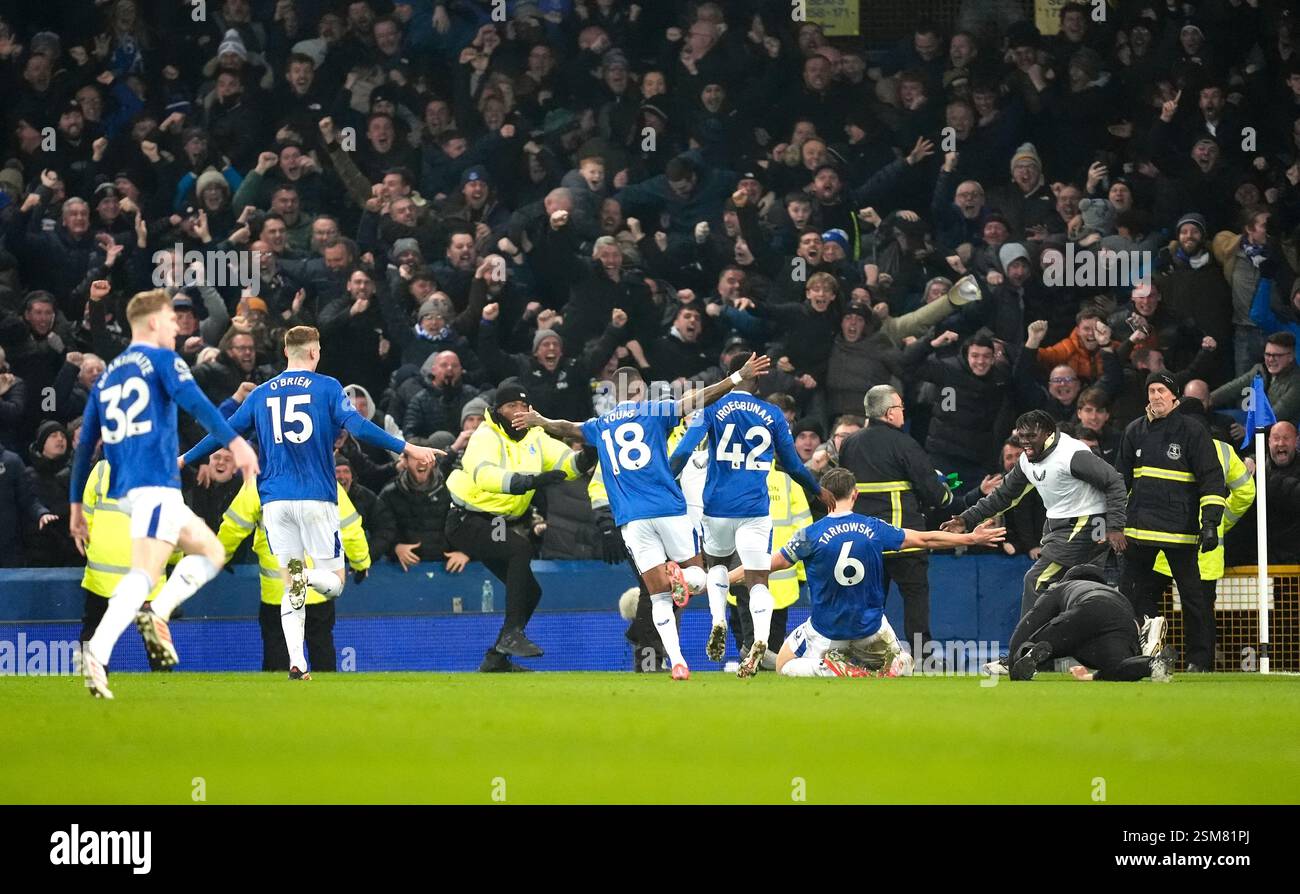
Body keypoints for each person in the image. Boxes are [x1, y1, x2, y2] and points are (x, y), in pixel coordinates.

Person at [182, 326, 438, 679]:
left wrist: (184, 459)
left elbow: (224, 433)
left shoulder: (260, 394)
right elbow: (360, 428)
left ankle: (296, 662)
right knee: (333, 583)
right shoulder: (328, 387)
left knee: (292, 584)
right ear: (315, 354)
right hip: (316, 498)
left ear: (286, 353)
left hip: (274, 502)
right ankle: (307, 588)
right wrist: (407, 447)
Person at [518, 353, 771, 680]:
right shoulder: (655, 411)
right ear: (642, 389)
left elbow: (569, 428)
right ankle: (679, 576)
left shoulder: (602, 425)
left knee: (658, 596)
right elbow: (698, 399)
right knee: (697, 579)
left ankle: (678, 662)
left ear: (614, 394)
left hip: (631, 521)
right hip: (669, 510)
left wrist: (542, 421)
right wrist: (738, 378)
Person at [68, 289, 261, 699]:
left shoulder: (107, 375)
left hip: (131, 488)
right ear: (153, 322)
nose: (176, 326)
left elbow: (85, 445)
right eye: (171, 319)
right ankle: (101, 649)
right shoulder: (161, 359)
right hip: (154, 484)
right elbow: (198, 405)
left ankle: (149, 616)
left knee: (209, 551)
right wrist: (238, 443)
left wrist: (73, 507)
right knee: (144, 576)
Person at [732, 467, 1005, 677]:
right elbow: (925, 539)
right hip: (871, 627)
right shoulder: (874, 528)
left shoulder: (809, 535)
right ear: (855, 495)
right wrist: (970, 538)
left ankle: (828, 668)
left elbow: (764, 566)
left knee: (784, 663)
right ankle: (887, 662)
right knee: (903, 663)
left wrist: (720, 581)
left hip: (827, 629)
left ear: (823, 496)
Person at [668, 354, 833, 677]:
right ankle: (759, 639)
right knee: (757, 579)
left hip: (717, 506)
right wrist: (817, 490)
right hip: (755, 509)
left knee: (716, 565)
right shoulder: (772, 414)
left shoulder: (711, 410)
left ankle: (717, 620)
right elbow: (795, 464)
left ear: (731, 377)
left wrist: (665, 479)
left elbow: (685, 451)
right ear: (756, 382)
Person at [446, 383, 596, 673]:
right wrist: (528, 481)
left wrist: (590, 453)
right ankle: (512, 635)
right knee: (520, 549)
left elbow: (566, 464)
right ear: (497, 411)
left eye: (523, 406)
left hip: (499, 522)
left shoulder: (536, 436)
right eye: (511, 406)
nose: (518, 412)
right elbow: (484, 475)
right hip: (467, 518)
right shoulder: (486, 435)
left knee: (530, 590)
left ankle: (497, 658)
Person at [942, 410, 1127, 618]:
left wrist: (1115, 526)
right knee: (1079, 589)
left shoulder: (1072, 454)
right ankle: (1076, 642)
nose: (1026, 442)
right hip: (1059, 525)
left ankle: (1027, 645)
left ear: (1048, 433)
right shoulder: (1026, 461)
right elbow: (1003, 497)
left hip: (1087, 523)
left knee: (1037, 580)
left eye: (1032, 436)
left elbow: (1114, 480)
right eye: (1022, 437)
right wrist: (966, 518)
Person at [1116, 371, 1227, 672]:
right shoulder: (1134, 430)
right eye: (1151, 390)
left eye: (1161, 390)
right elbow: (1118, 482)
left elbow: (1212, 480)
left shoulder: (1193, 431)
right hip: (1139, 532)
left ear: (1175, 397)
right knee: (1129, 597)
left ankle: (1199, 661)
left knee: (1194, 600)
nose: (1155, 396)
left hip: (1180, 533)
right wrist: (1113, 525)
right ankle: (1128, 655)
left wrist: (1210, 524)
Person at [837, 385, 956, 651]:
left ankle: (861, 654)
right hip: (904, 539)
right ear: (890, 413)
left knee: (868, 602)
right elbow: (934, 492)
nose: (903, 413)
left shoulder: (849, 444)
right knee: (915, 597)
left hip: (864, 542)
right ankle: (922, 655)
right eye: (901, 408)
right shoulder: (904, 443)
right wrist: (947, 494)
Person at [218, 475, 371, 674]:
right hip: (318, 590)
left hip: (278, 591)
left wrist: (220, 555)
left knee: (277, 657)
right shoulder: (324, 480)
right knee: (321, 650)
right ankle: (329, 702)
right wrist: (361, 563)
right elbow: (350, 528)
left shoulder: (260, 481)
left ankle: (278, 702)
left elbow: (234, 526)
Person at [1007, 565, 1174, 682]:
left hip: (1084, 611)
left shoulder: (1063, 587)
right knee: (1117, 668)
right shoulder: (1117, 594)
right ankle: (1153, 664)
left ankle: (1028, 653)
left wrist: (1013, 658)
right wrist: (1090, 676)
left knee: (1041, 643)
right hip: (1120, 621)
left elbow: (1028, 624)